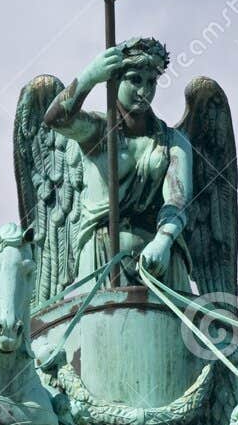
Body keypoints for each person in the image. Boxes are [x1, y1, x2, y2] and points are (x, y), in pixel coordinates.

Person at [43, 36, 192, 285]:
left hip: (160, 260)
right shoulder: (97, 131)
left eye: (151, 82)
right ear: (115, 80)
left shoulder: (172, 141)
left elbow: (178, 200)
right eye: (134, 79)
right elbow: (56, 119)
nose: (144, 91)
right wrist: (90, 76)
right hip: (102, 256)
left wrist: (163, 240)